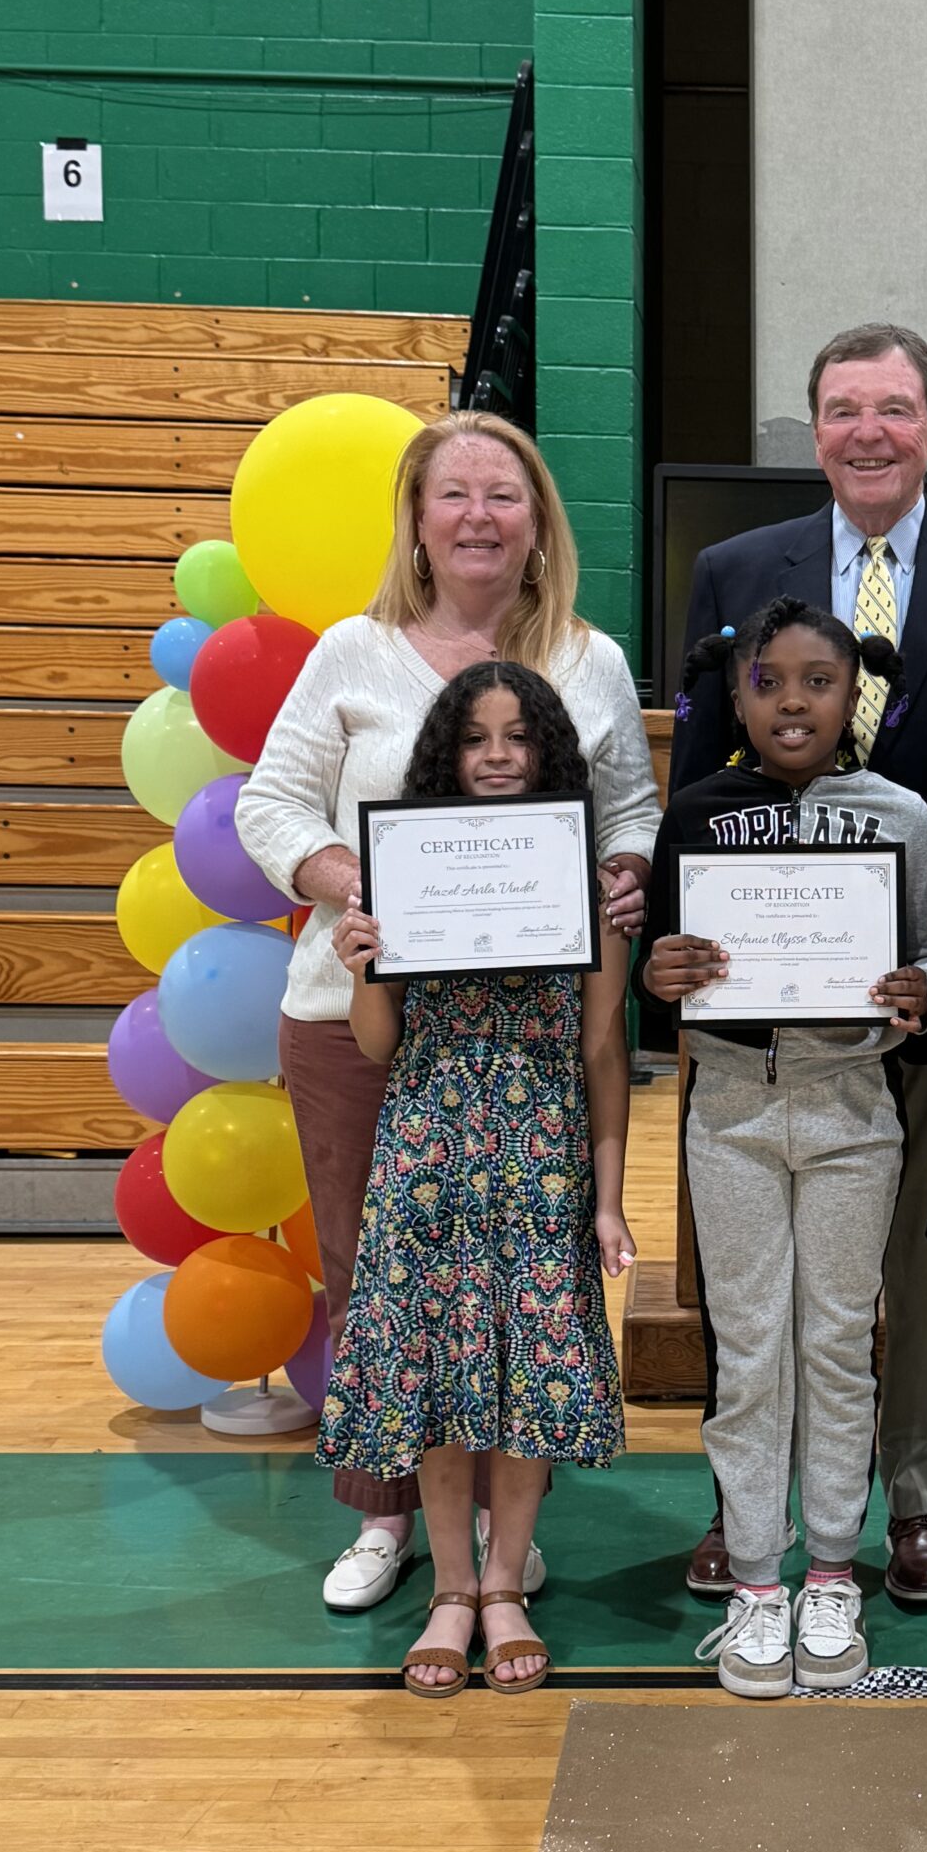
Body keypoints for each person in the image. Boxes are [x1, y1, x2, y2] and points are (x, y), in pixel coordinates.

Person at [237, 411, 658, 1613]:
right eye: (454, 495)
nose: (479, 515)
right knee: (379, 1278)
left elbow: (631, 807)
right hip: (357, 1015)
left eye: (503, 494)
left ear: (539, 523)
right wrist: (360, 885)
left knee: (524, 1281)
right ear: (416, 523)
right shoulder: (352, 651)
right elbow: (271, 807)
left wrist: (622, 873)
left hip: (528, 1035)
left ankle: (499, 1540)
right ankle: (386, 1519)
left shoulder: (589, 659)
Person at [667, 322, 927, 1604]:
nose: (867, 432)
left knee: (918, 1269)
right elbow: (696, 786)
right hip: (759, 1011)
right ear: (813, 428)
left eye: (892, 409)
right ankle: (745, 1506)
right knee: (756, 1284)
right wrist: (680, 956)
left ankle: (917, 1502)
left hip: (920, 997)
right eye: (842, 409)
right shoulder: (733, 570)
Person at [639, 598, 927, 1697]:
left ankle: (830, 1569)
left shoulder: (901, 816)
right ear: (737, 695)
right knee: (747, 1344)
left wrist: (926, 989)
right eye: (768, 681)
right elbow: (663, 971)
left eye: (818, 681)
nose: (792, 702)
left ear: (852, 693)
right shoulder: (696, 810)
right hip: (728, 1110)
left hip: (851, 1111)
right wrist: (660, 975)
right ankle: (756, 1579)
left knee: (834, 1342)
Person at [317, 662, 632, 1696]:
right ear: (444, 755)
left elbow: (601, 1053)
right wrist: (361, 962)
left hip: (541, 1152)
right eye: (475, 738)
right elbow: (378, 1044)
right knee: (436, 1378)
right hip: (427, 1151)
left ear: (549, 751)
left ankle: (506, 1585)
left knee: (532, 1376)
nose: (497, 755)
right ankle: (451, 1587)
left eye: (518, 736)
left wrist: (608, 1198)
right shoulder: (401, 872)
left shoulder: (587, 883)